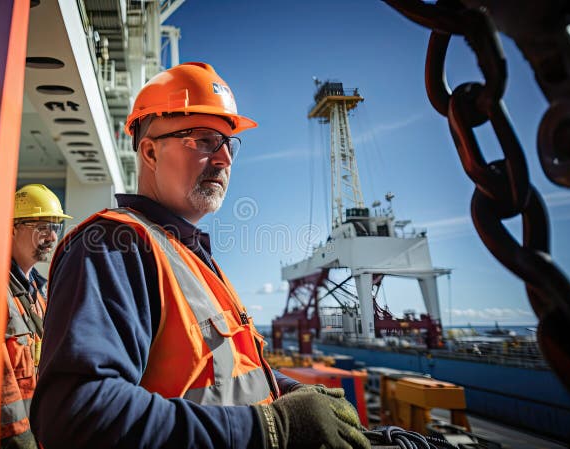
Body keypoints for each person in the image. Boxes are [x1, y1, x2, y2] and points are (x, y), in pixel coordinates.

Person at [30, 62, 370, 449]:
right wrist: (271, 428)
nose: (224, 159)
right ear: (150, 152)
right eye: (204, 140)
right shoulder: (115, 246)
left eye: (228, 143)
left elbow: (221, 379)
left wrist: (292, 397)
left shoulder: (186, 255)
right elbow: (76, 418)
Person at [1, 184, 72, 449]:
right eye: (42, 226)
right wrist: (21, 440)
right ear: (13, 227)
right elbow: (1, 380)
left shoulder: (39, 293)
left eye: (56, 227)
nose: (52, 237)